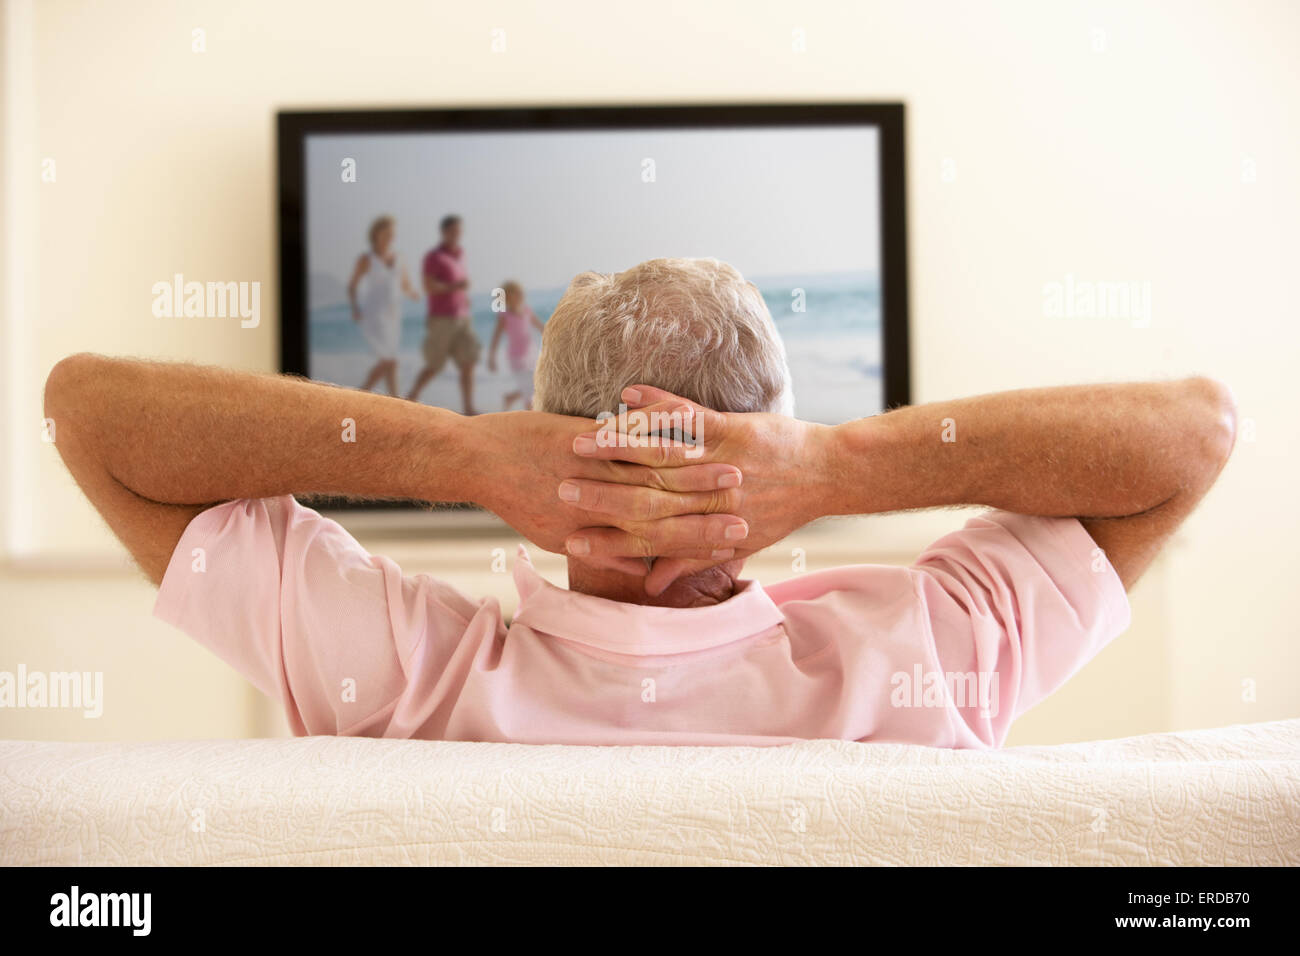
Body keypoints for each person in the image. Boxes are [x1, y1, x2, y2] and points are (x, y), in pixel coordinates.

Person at [43, 258, 1236, 747]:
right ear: (767, 423)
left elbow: (85, 411)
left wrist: (463, 455)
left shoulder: (402, 675)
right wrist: (834, 465)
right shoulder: (923, 654)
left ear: (542, 424)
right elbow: (1193, 435)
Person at [405, 214, 480, 414]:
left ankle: (468, 408)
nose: (457, 235)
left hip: (462, 317)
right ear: (444, 232)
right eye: (453, 231)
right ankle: (410, 399)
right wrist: (456, 286)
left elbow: (460, 287)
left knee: (469, 360)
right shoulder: (434, 257)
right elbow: (429, 287)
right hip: (441, 319)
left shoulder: (460, 254)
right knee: (434, 365)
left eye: (459, 231)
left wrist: (465, 299)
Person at [346, 215, 421, 396]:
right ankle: (361, 394)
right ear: (376, 234)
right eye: (386, 233)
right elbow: (352, 286)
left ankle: (394, 401)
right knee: (390, 361)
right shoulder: (367, 259)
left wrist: (413, 294)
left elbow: (404, 284)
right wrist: (355, 308)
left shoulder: (399, 258)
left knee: (391, 360)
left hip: (394, 316)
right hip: (374, 316)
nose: (390, 237)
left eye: (392, 234)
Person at [487, 280, 545, 410]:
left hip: (532, 353)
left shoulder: (526, 310)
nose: (520, 296)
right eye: (516, 294)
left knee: (537, 385)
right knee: (529, 392)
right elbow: (496, 337)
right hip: (517, 357)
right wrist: (491, 357)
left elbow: (542, 328)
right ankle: (529, 419)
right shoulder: (504, 315)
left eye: (520, 293)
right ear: (507, 297)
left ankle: (511, 397)